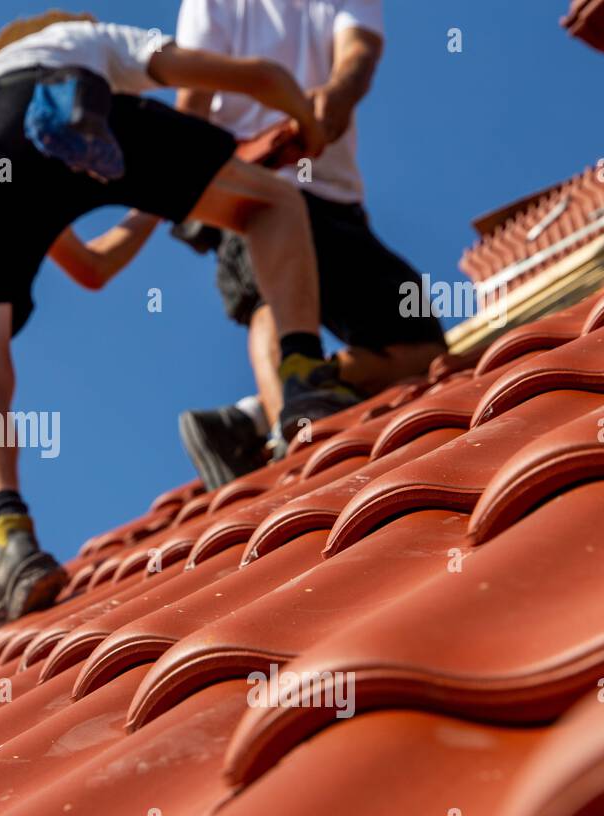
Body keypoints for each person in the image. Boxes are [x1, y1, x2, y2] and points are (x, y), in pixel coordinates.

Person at [0, 10, 333, 660]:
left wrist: (160, 201)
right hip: (65, 97)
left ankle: (7, 536)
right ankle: (301, 381)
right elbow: (260, 76)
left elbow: (92, 266)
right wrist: (307, 119)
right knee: (275, 203)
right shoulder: (89, 37)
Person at [173, 0, 449, 488]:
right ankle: (295, 447)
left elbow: (358, 53)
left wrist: (336, 97)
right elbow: (193, 94)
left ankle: (255, 419)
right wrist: (190, 185)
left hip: (332, 195)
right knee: (270, 298)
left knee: (422, 347)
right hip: (250, 186)